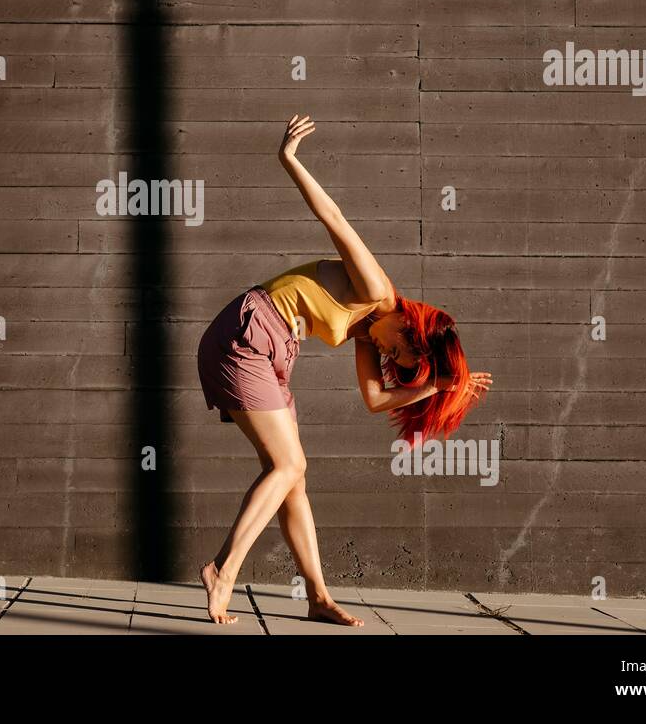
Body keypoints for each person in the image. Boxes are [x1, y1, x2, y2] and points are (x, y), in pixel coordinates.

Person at [196, 115, 493, 625]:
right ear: (408, 328)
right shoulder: (376, 290)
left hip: (273, 351)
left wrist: (436, 389)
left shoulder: (367, 330)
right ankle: (223, 570)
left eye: (397, 364)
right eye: (399, 354)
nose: (388, 359)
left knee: (294, 477)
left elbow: (376, 401)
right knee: (287, 466)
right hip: (245, 334)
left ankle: (316, 597)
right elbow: (333, 216)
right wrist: (290, 160)